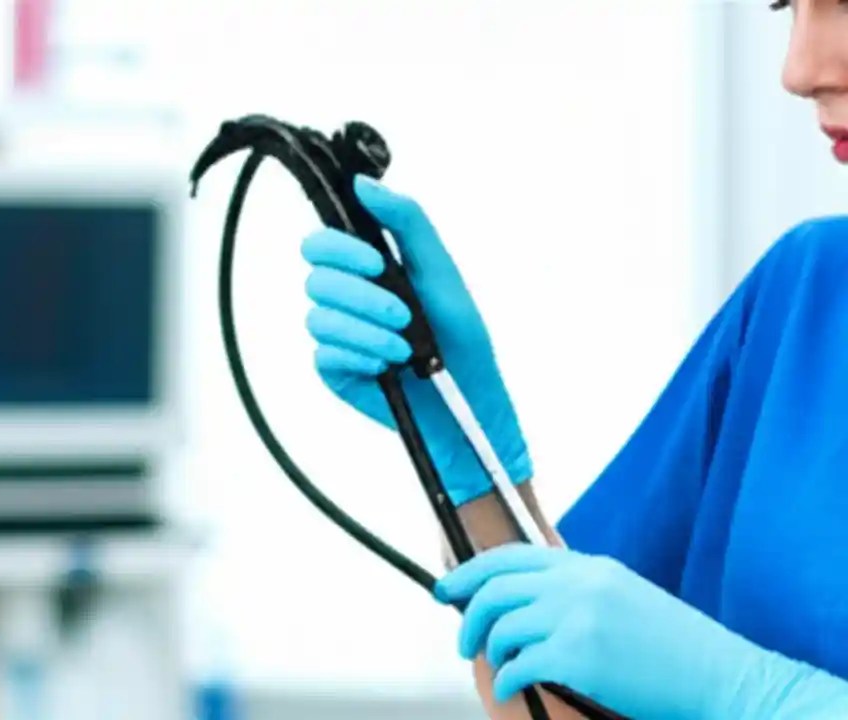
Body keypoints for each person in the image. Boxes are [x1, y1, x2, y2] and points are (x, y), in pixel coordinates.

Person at [301, 1, 848, 718]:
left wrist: (770, 700)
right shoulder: (805, 298)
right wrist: (466, 452)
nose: (798, 70)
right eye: (788, 4)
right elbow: (547, 704)